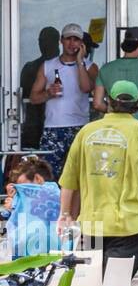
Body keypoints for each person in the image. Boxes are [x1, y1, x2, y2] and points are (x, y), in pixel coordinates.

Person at [56, 80, 138, 275]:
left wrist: (65, 213)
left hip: (92, 226)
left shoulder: (87, 131)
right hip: (130, 226)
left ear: (109, 101)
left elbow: (69, 178)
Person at [29, 24, 98, 178]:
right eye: (68, 39)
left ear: (81, 44)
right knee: (49, 175)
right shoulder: (48, 66)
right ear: (61, 40)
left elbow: (86, 88)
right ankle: (53, 202)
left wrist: (80, 62)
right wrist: (48, 93)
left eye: (76, 40)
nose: (71, 43)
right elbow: (33, 98)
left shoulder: (90, 66)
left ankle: (75, 203)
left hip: (80, 127)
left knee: (80, 175)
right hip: (53, 128)